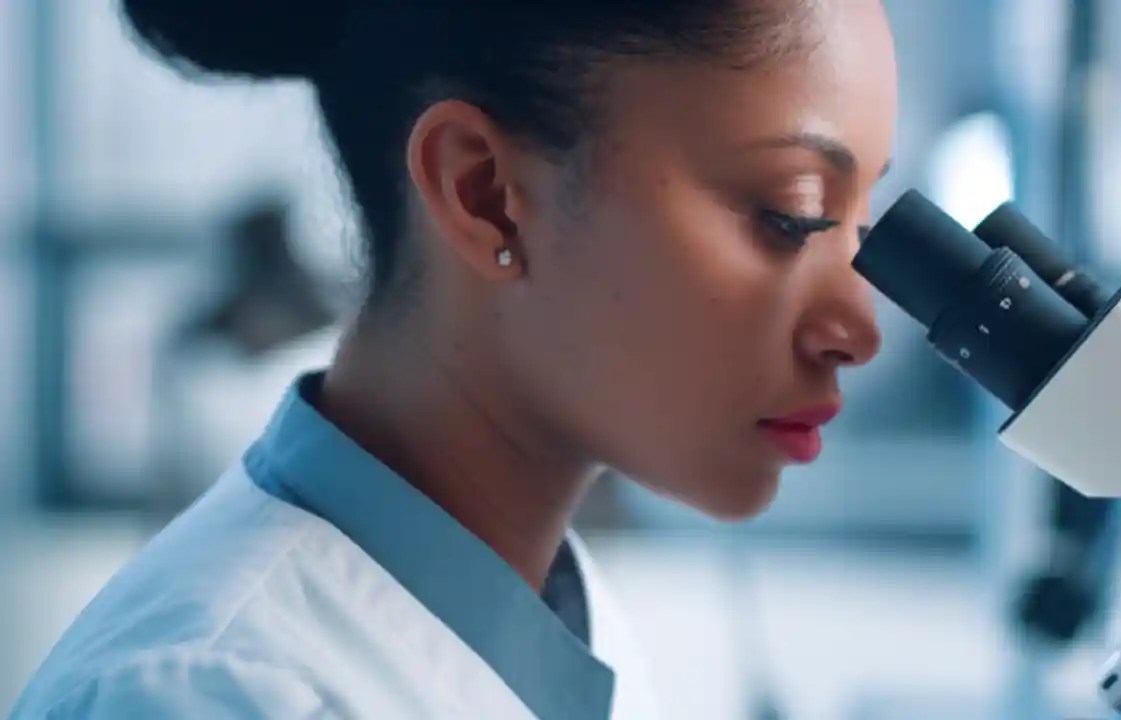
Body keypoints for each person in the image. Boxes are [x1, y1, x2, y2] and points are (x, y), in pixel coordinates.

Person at [11, 0, 896, 717]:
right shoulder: (217, 693)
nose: (858, 328)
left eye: (860, 224)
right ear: (487, 197)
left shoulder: (564, 628)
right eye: (796, 212)